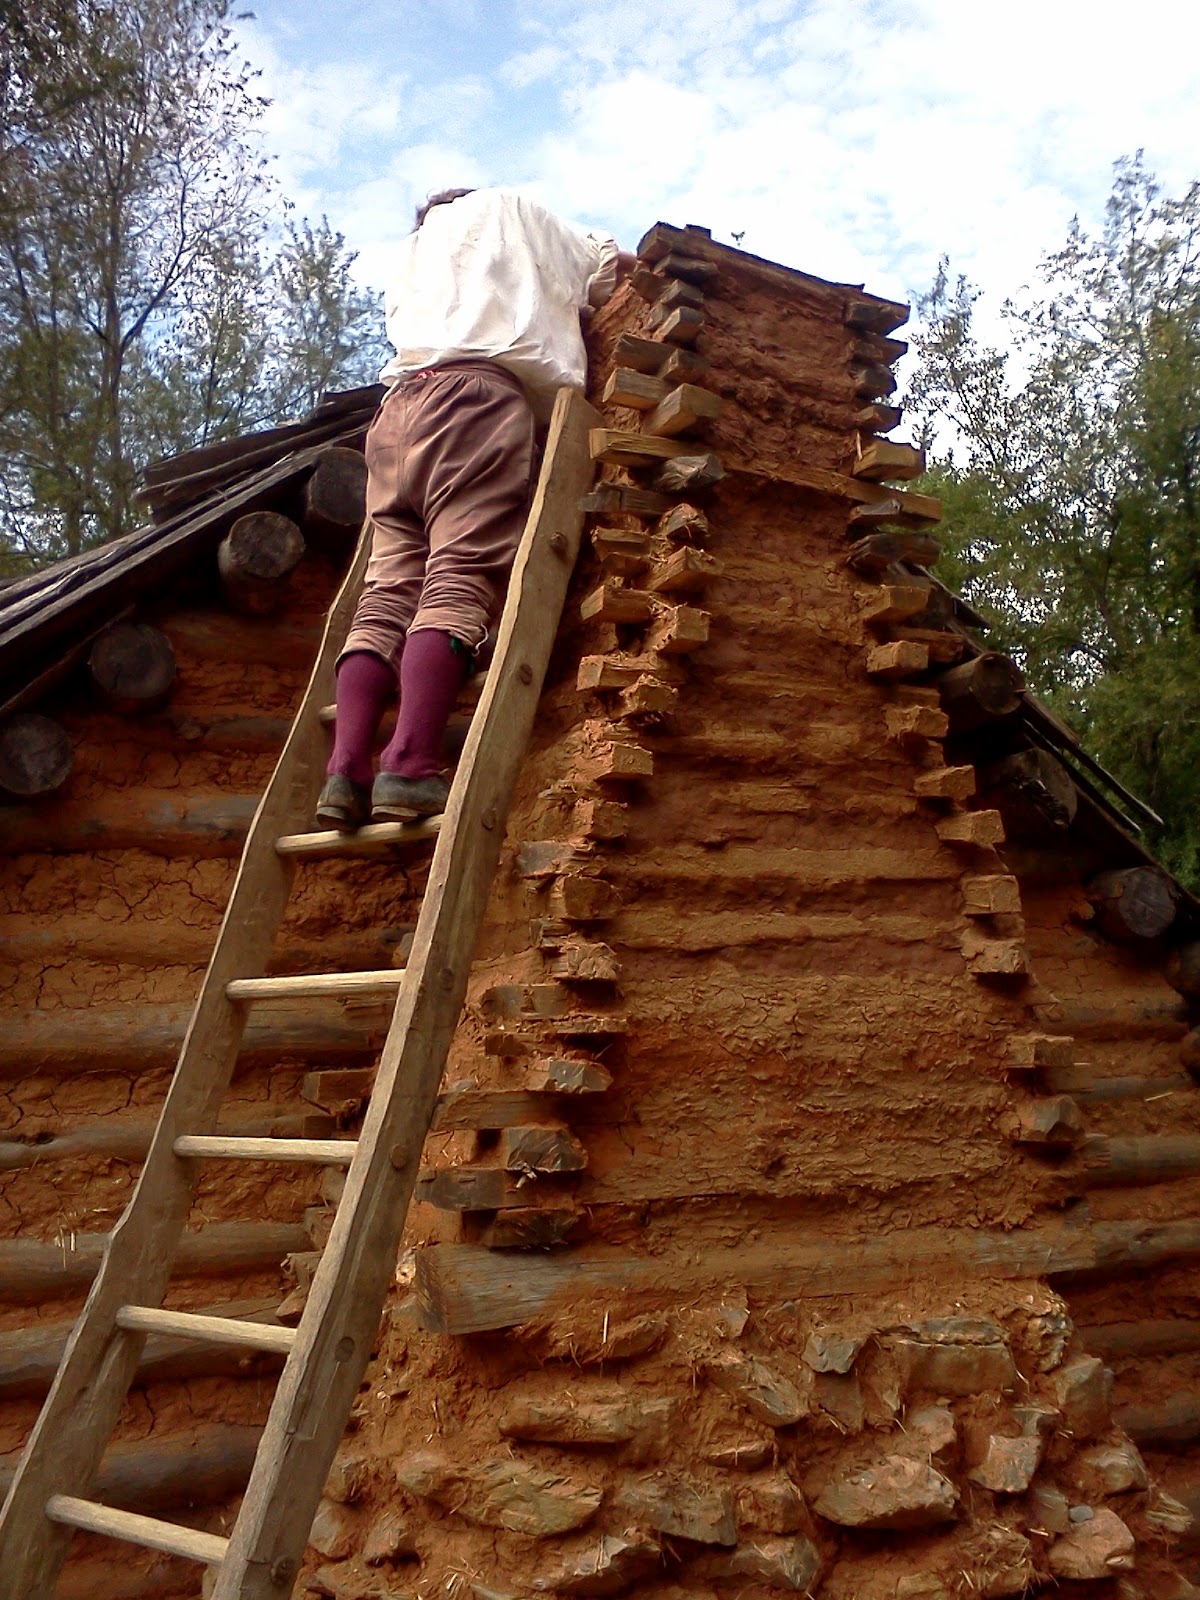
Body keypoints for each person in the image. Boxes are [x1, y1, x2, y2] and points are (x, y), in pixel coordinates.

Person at [315, 186, 629, 831]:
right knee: (458, 574)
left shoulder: (413, 253)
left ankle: (346, 769)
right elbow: (613, 267)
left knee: (385, 597)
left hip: (396, 416)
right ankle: (410, 760)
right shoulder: (513, 211)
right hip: (475, 402)